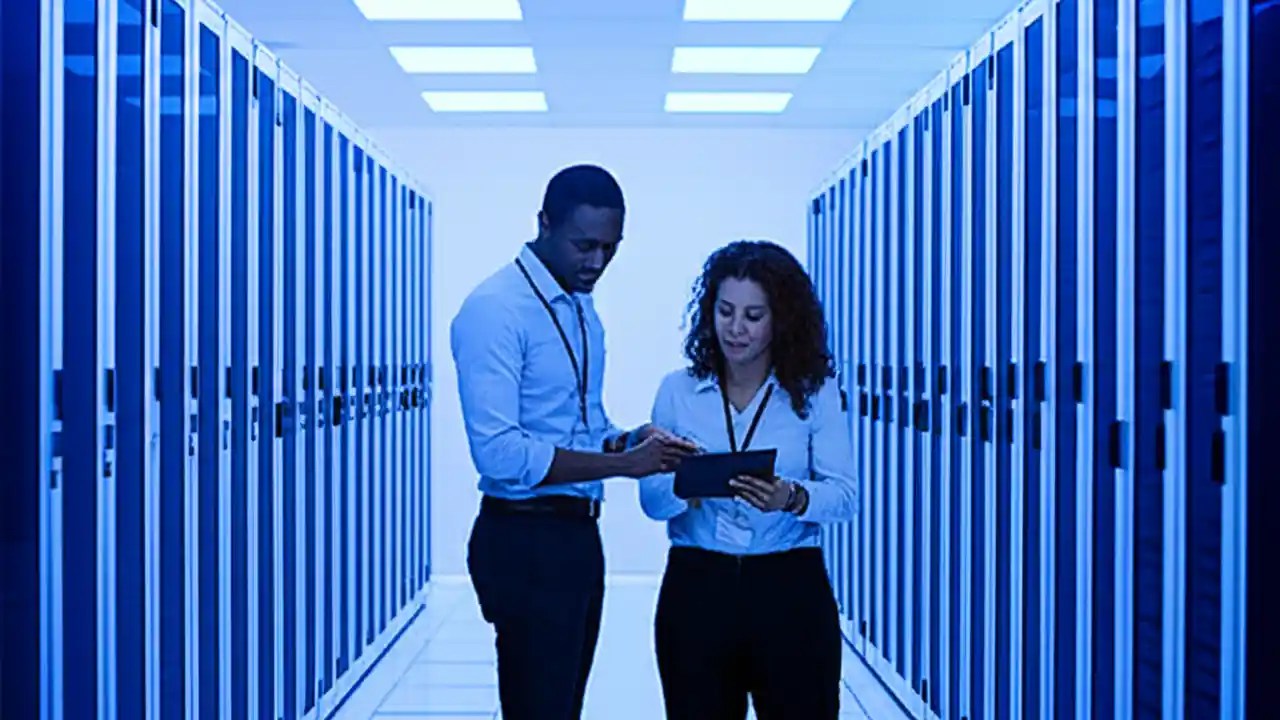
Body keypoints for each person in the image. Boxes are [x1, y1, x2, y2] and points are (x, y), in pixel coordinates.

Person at [450, 164, 698, 720]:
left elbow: (580, 424)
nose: (597, 263)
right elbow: (499, 452)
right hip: (523, 539)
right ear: (543, 223)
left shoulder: (580, 306)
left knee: (563, 707)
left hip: (576, 537)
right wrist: (624, 467)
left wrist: (625, 440)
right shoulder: (495, 310)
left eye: (610, 249)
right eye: (583, 245)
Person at [638, 239, 859, 720]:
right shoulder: (678, 391)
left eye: (754, 316)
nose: (735, 329)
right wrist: (685, 486)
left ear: (782, 319)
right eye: (725, 311)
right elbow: (652, 504)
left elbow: (844, 497)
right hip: (698, 588)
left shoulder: (813, 393)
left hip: (788, 589)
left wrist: (790, 496)